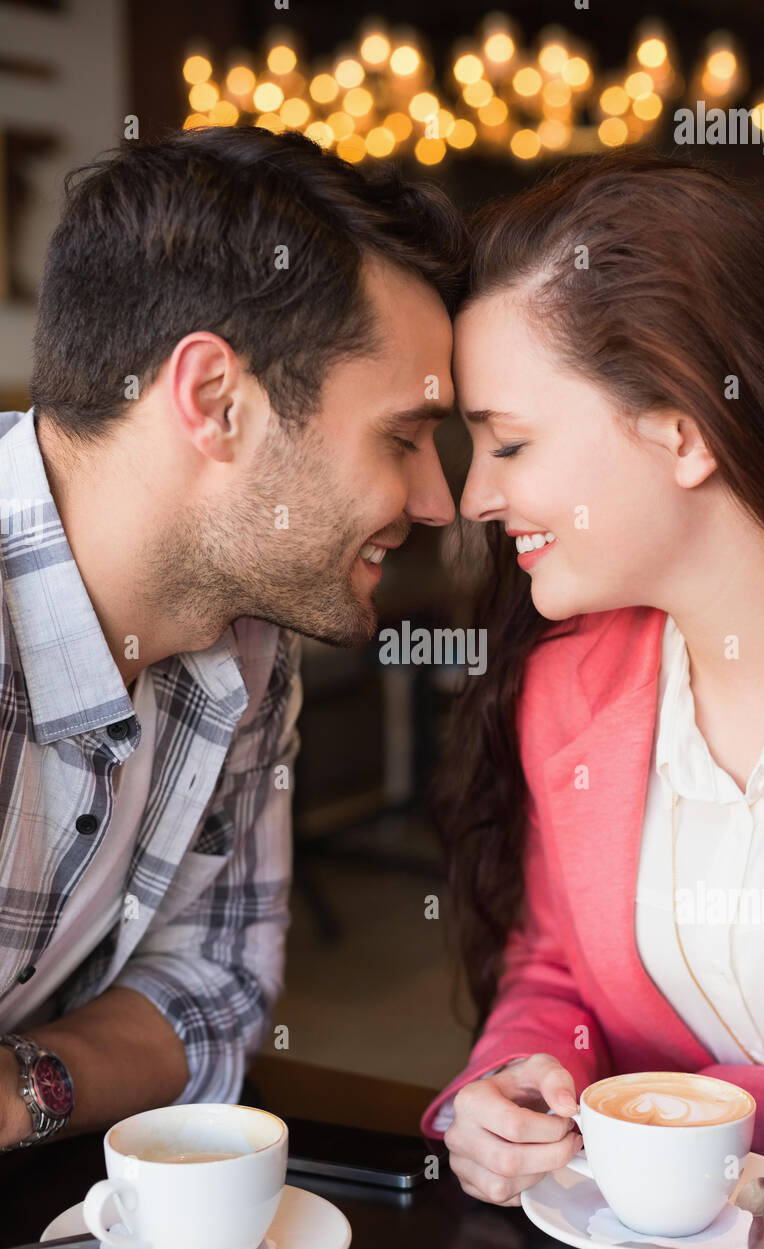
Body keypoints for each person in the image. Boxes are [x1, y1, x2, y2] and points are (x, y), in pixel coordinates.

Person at [0, 125, 465, 1152]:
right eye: (402, 437)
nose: (439, 500)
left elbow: (215, 988)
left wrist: (29, 1089)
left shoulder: (245, 642)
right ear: (215, 402)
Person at [420, 151, 764, 1201]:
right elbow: (554, 970)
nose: (471, 496)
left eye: (509, 443)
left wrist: (715, 1106)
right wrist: (522, 1078)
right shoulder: (567, 690)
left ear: (681, 430)